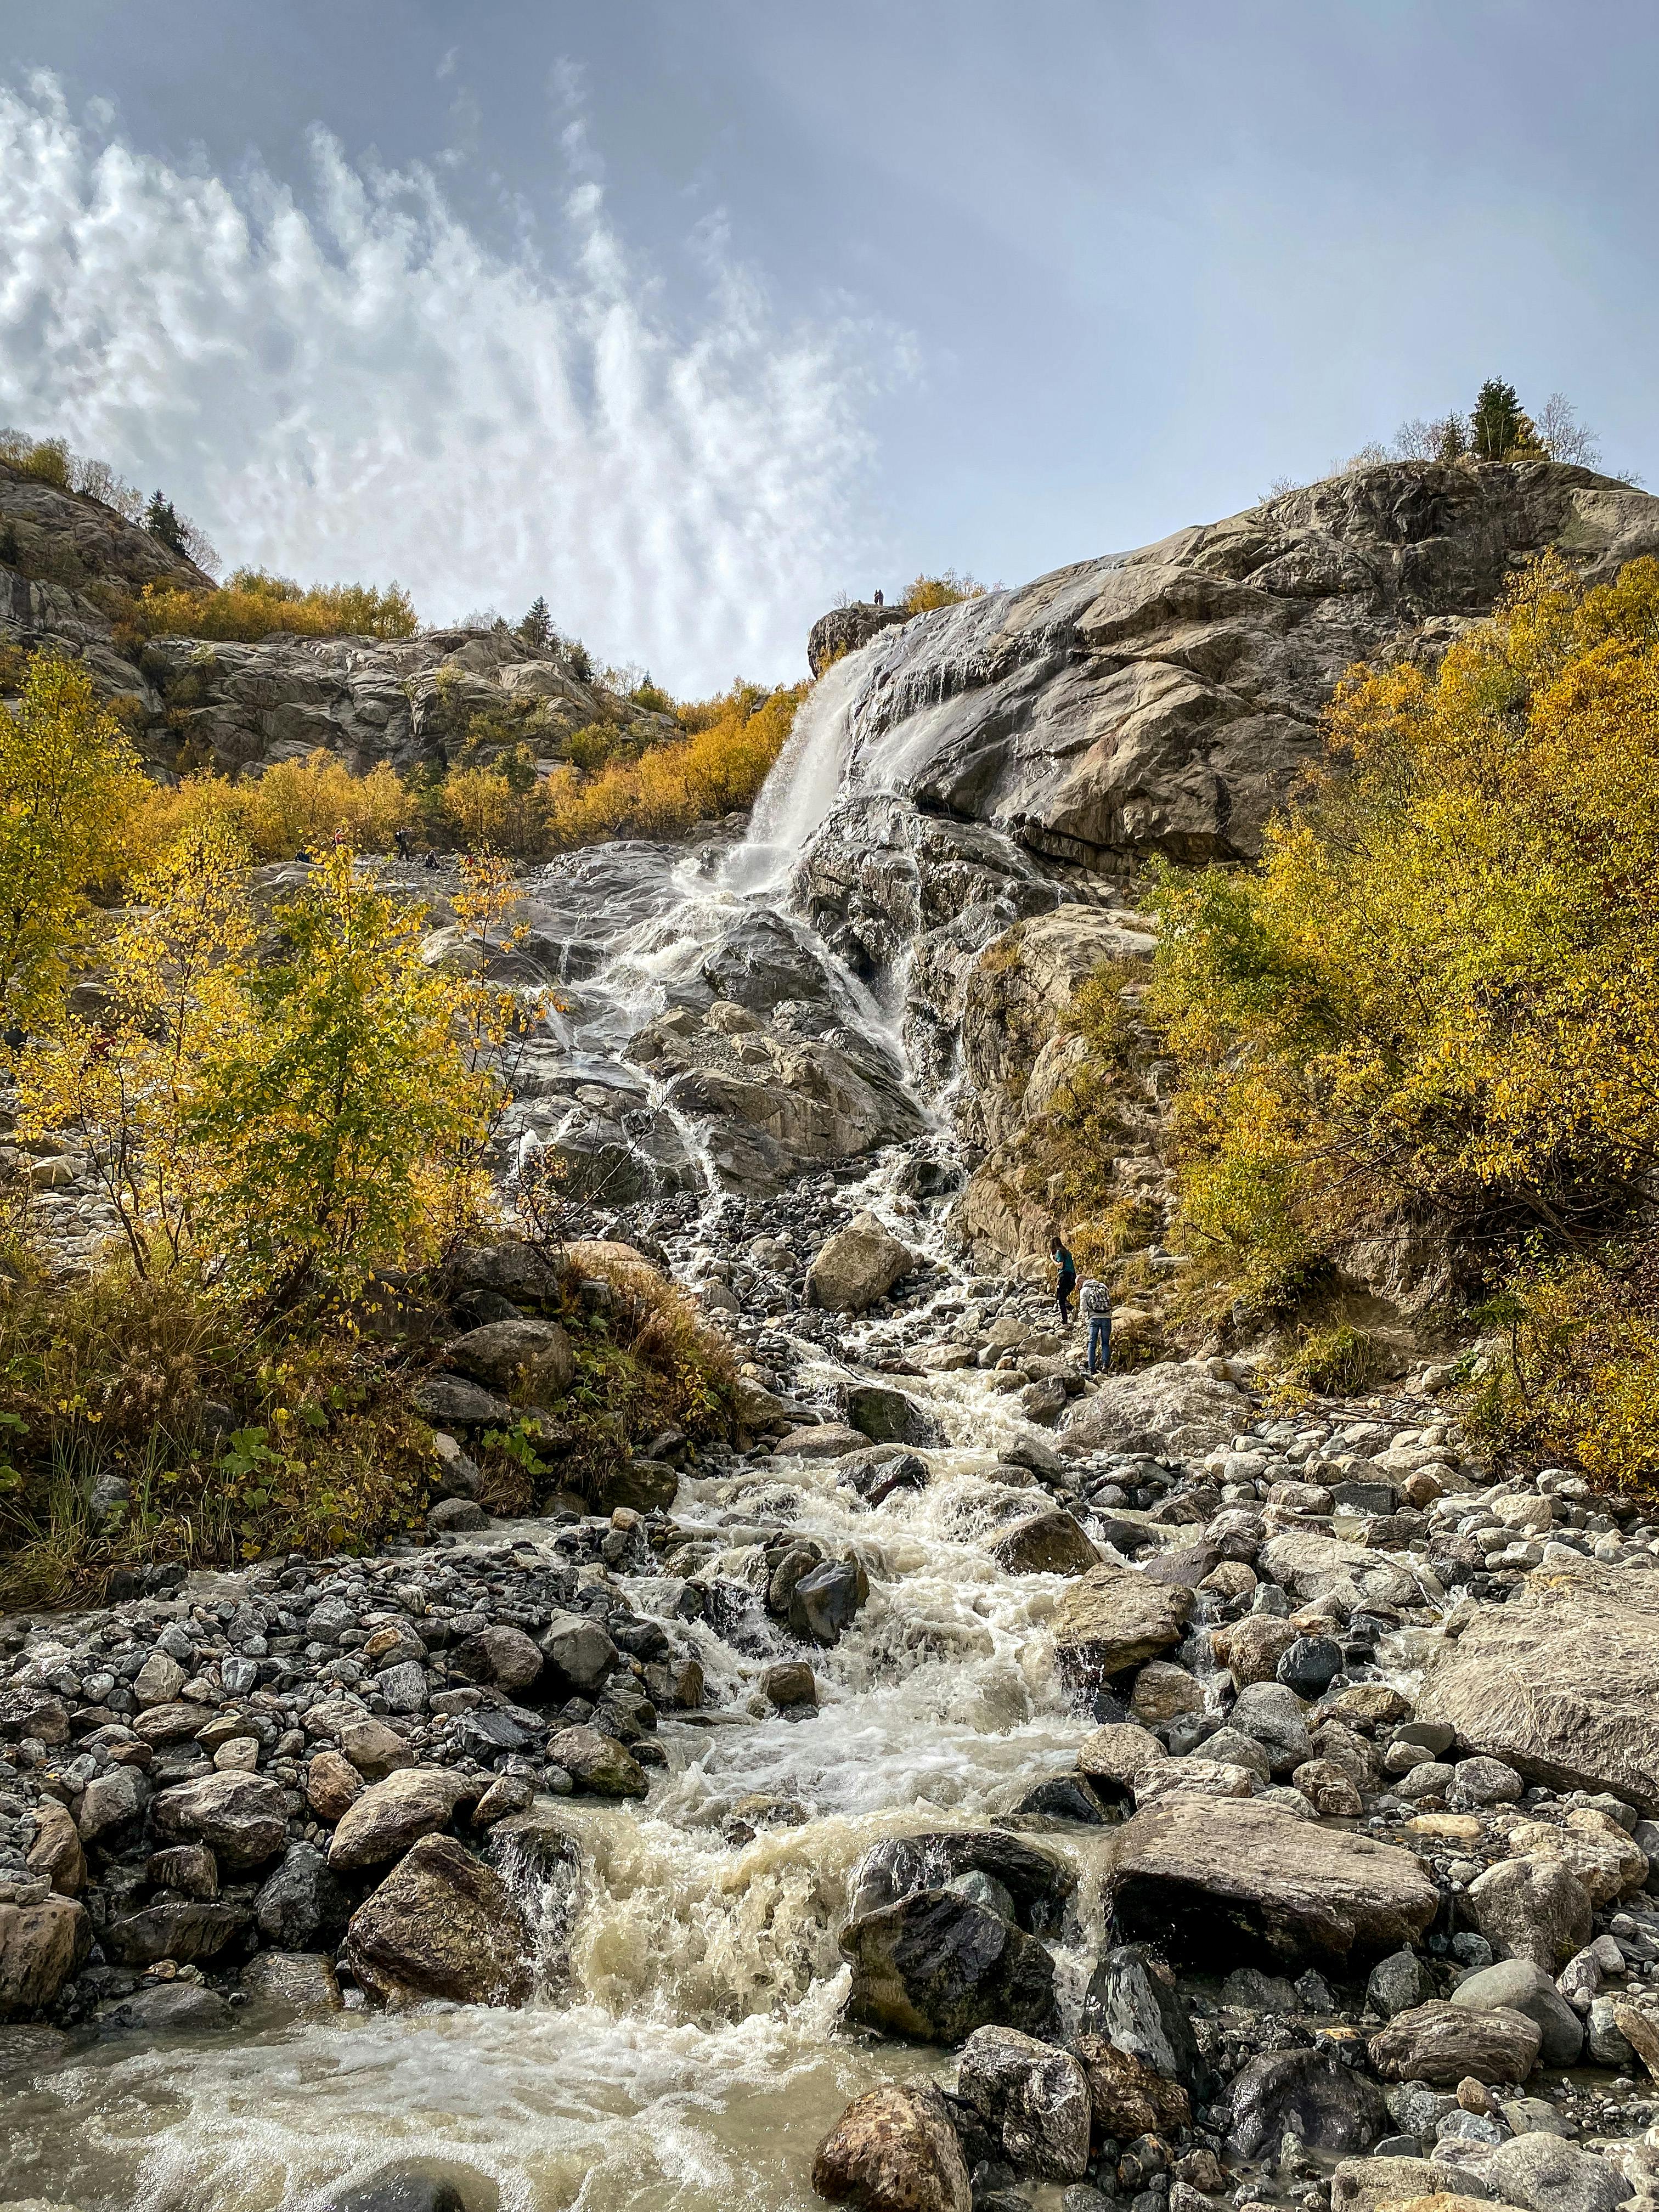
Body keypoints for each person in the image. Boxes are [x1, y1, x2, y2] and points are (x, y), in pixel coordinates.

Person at [1080, 1276, 1113, 1374]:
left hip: (1094, 1319)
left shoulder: (1084, 1290)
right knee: (1105, 1343)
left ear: (1081, 1282)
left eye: (1077, 1284)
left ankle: (1091, 1368)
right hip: (1107, 1318)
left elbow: (1084, 1308)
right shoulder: (1103, 1286)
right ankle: (1105, 1366)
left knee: (1092, 1343)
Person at [1050, 1234, 1076, 1326]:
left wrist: (1052, 1259)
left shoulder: (1059, 1252)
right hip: (1073, 1277)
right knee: (1062, 1297)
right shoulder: (1067, 1252)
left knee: (1060, 1298)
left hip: (1065, 1276)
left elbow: (1060, 1265)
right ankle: (1072, 1310)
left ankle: (1065, 1320)